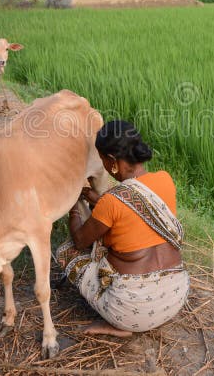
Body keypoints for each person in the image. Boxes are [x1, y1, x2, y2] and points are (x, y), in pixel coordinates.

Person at [56, 120, 189, 337]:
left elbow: (80, 240)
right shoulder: (165, 180)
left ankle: (119, 324)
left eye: (103, 160)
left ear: (112, 161)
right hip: (175, 296)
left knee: (66, 251)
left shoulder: (111, 202)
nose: (105, 166)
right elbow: (132, 212)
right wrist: (100, 201)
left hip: (132, 312)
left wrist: (74, 206)